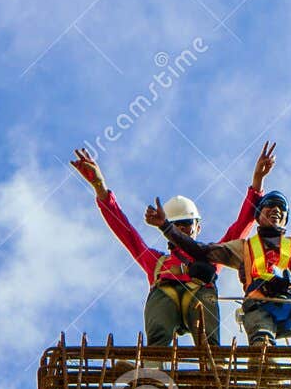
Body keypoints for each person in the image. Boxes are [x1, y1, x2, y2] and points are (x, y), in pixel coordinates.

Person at [152, 158, 291, 374]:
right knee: (261, 336)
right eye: (269, 206)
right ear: (258, 216)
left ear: (285, 219)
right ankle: (264, 364)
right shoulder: (243, 248)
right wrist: (167, 228)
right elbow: (201, 251)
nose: (276, 210)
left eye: (281, 208)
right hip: (261, 311)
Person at [69, 141, 275, 346]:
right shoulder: (156, 261)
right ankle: (153, 367)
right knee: (159, 323)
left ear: (197, 227)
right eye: (176, 225)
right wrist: (99, 186)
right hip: (165, 296)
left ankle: (213, 367)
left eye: (186, 224)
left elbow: (241, 225)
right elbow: (125, 231)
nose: (182, 229)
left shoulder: (212, 255)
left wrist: (258, 180)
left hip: (199, 298)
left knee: (207, 325)